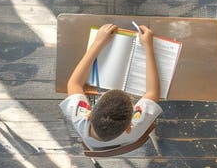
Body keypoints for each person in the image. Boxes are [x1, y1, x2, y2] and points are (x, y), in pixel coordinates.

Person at [60, 22, 162, 150]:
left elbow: (74, 83)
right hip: (127, 141)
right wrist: (148, 46)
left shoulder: (80, 120)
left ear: (89, 115)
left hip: (95, 145)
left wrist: (98, 42)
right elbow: (153, 92)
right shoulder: (136, 127)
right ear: (130, 127)